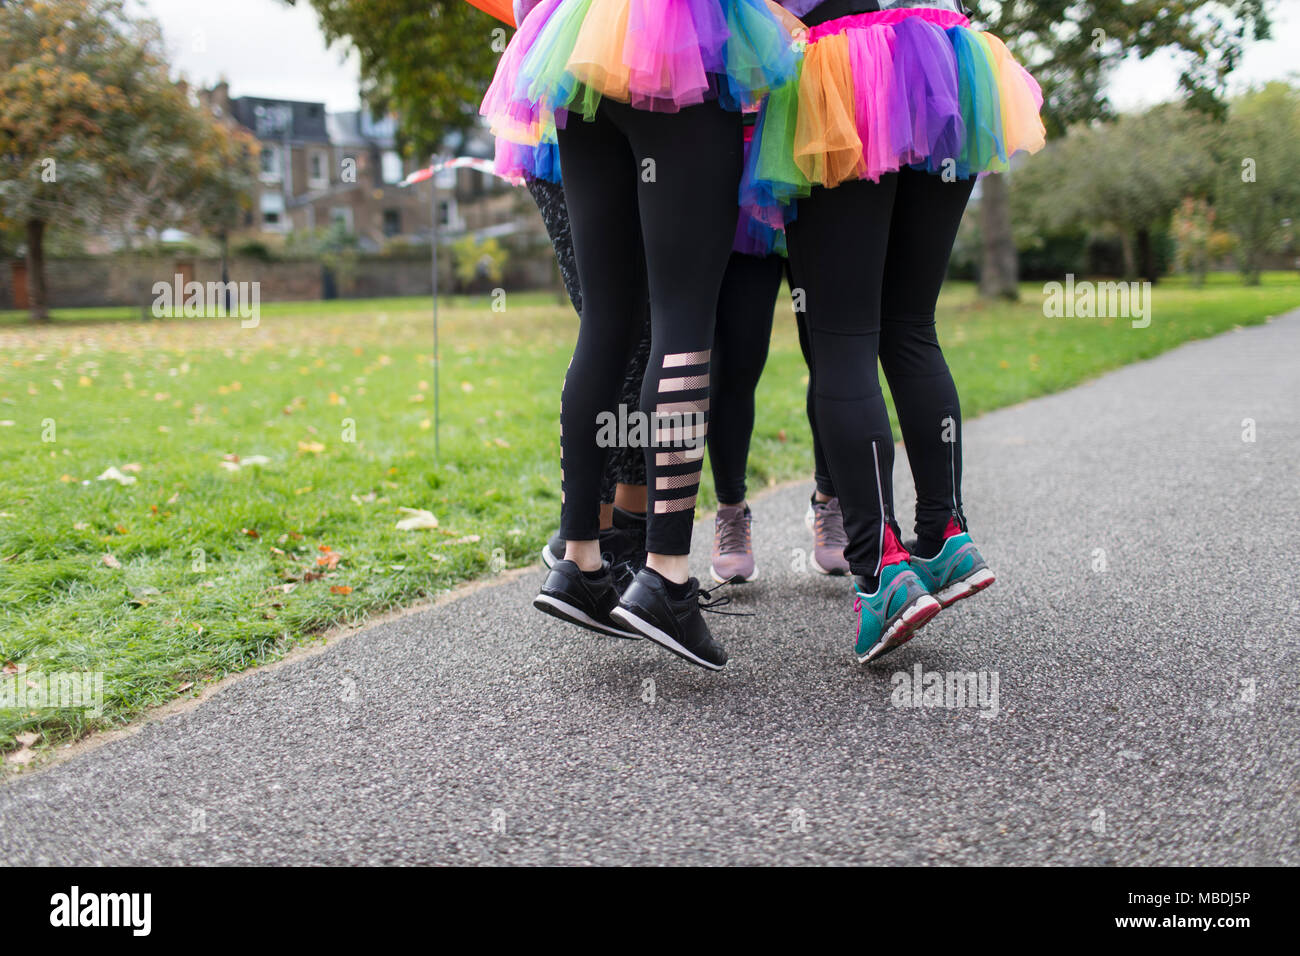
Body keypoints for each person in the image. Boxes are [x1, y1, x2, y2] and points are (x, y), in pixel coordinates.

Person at [483, 0, 799, 670]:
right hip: (678, 33)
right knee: (683, 316)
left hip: (575, 37)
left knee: (607, 319)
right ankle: (666, 573)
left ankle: (581, 560)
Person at [744, 0, 1046, 661]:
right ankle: (945, 535)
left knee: (843, 337)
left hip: (843, 61)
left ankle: (881, 571)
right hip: (948, 53)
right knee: (911, 325)